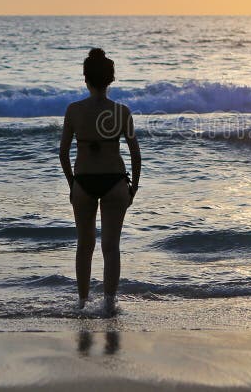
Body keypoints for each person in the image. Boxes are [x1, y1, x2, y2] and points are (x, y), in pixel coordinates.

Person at [59, 48, 141, 314]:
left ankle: (82, 304)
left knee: (84, 246)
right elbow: (135, 154)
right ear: (111, 80)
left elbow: (62, 154)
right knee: (110, 247)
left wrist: (72, 185)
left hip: (83, 181)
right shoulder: (121, 111)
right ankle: (108, 304)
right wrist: (133, 189)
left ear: (86, 79)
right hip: (115, 182)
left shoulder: (74, 110)